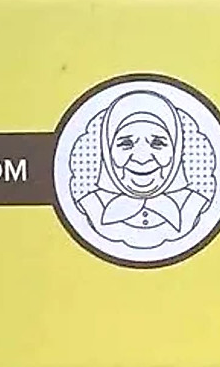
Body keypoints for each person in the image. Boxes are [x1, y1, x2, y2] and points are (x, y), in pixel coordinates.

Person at [76, 90, 211, 249]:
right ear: (107, 151)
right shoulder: (92, 206)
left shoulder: (194, 205)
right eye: (126, 144)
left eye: (157, 143)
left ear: (176, 151)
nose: (142, 158)